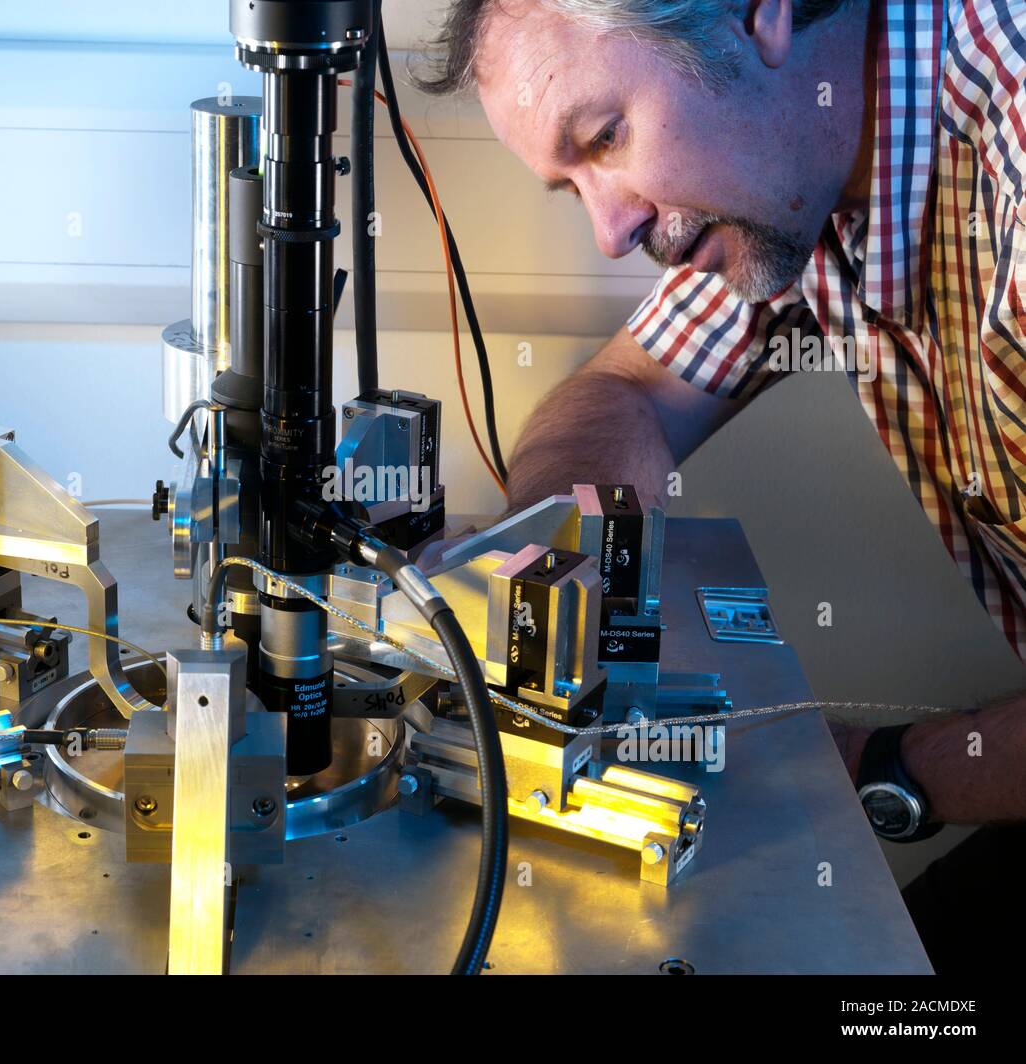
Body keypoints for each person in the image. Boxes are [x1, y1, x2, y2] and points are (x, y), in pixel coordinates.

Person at [416, 0, 1026, 972]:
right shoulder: (799, 173)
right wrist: (568, 570)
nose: (611, 229)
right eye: (571, 185)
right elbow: (625, 390)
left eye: (605, 136)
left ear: (761, 17)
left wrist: (883, 769)